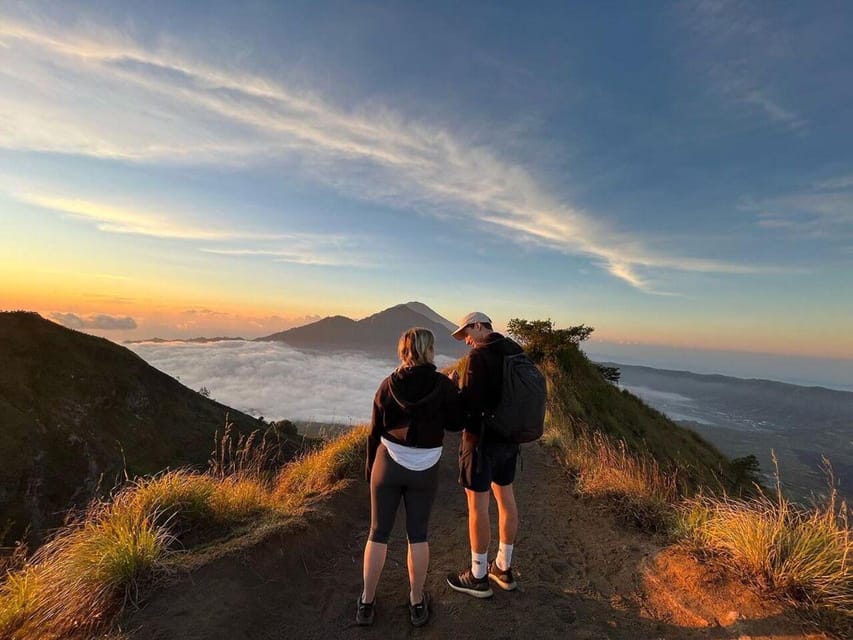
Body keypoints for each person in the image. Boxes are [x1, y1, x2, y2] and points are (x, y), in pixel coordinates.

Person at [358, 327, 462, 627]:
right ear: (429, 350)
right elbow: (455, 424)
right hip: (425, 468)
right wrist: (454, 391)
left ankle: (366, 603)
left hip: (387, 465)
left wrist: (370, 471)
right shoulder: (442, 385)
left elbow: (374, 431)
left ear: (403, 350)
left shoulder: (388, 385)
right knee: (418, 535)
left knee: (378, 533)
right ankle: (417, 603)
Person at [446, 311, 524, 598]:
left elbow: (470, 406)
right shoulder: (514, 351)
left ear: (480, 326)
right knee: (506, 499)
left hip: (481, 443)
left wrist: (455, 388)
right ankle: (503, 568)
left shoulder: (479, 357)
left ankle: (478, 576)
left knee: (478, 507)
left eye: (467, 333)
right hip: (509, 441)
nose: (466, 341)